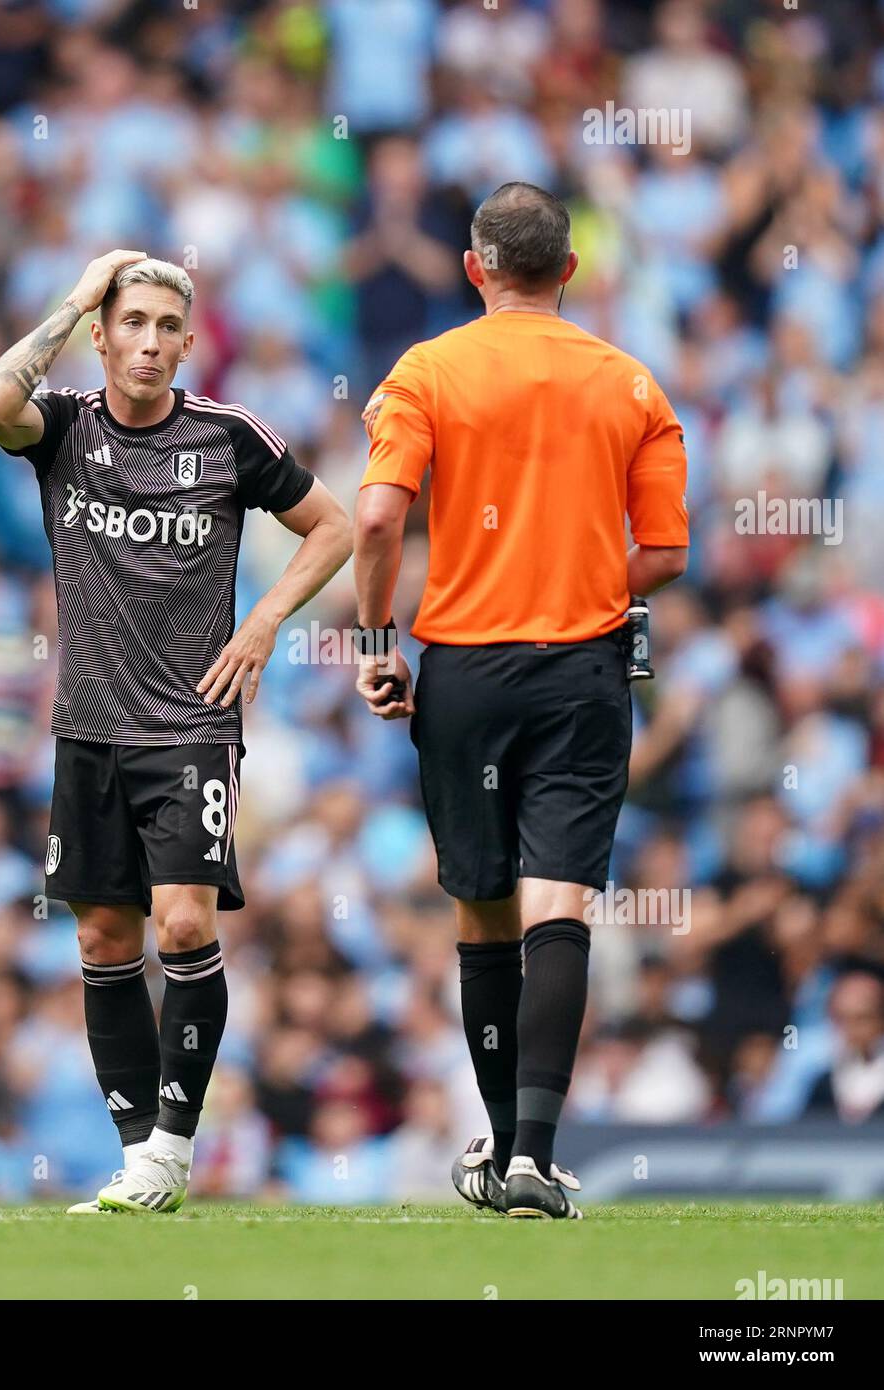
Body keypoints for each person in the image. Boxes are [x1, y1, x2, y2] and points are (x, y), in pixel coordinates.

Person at [0, 251, 351, 1214]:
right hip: (86, 726)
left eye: (165, 327)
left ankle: (173, 1146)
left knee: (182, 921)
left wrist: (264, 620)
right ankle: (140, 1155)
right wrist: (77, 288)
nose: (147, 342)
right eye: (129, 322)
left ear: (187, 343)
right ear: (100, 333)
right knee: (103, 941)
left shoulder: (228, 438)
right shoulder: (62, 429)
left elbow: (335, 528)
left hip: (190, 723)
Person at [352, 182, 689, 1219]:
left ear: (473, 269)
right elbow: (666, 553)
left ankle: (501, 1151)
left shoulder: (428, 370)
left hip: (462, 671)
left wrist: (374, 638)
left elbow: (373, 521)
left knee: (481, 910)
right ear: (569, 272)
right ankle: (535, 1154)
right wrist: (588, 585)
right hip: (581, 668)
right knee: (559, 907)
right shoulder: (627, 382)